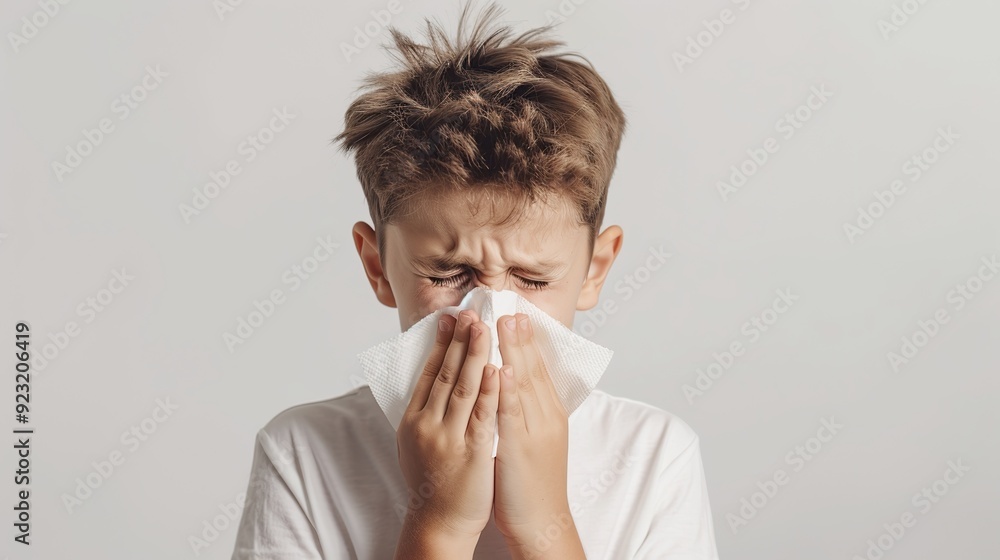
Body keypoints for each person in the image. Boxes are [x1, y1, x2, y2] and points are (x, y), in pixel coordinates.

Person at [231, 3, 719, 558]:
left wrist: (543, 523)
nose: (488, 314)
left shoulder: (654, 457)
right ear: (377, 267)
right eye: (447, 274)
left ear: (594, 270)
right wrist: (438, 523)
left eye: (533, 278)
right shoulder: (302, 453)